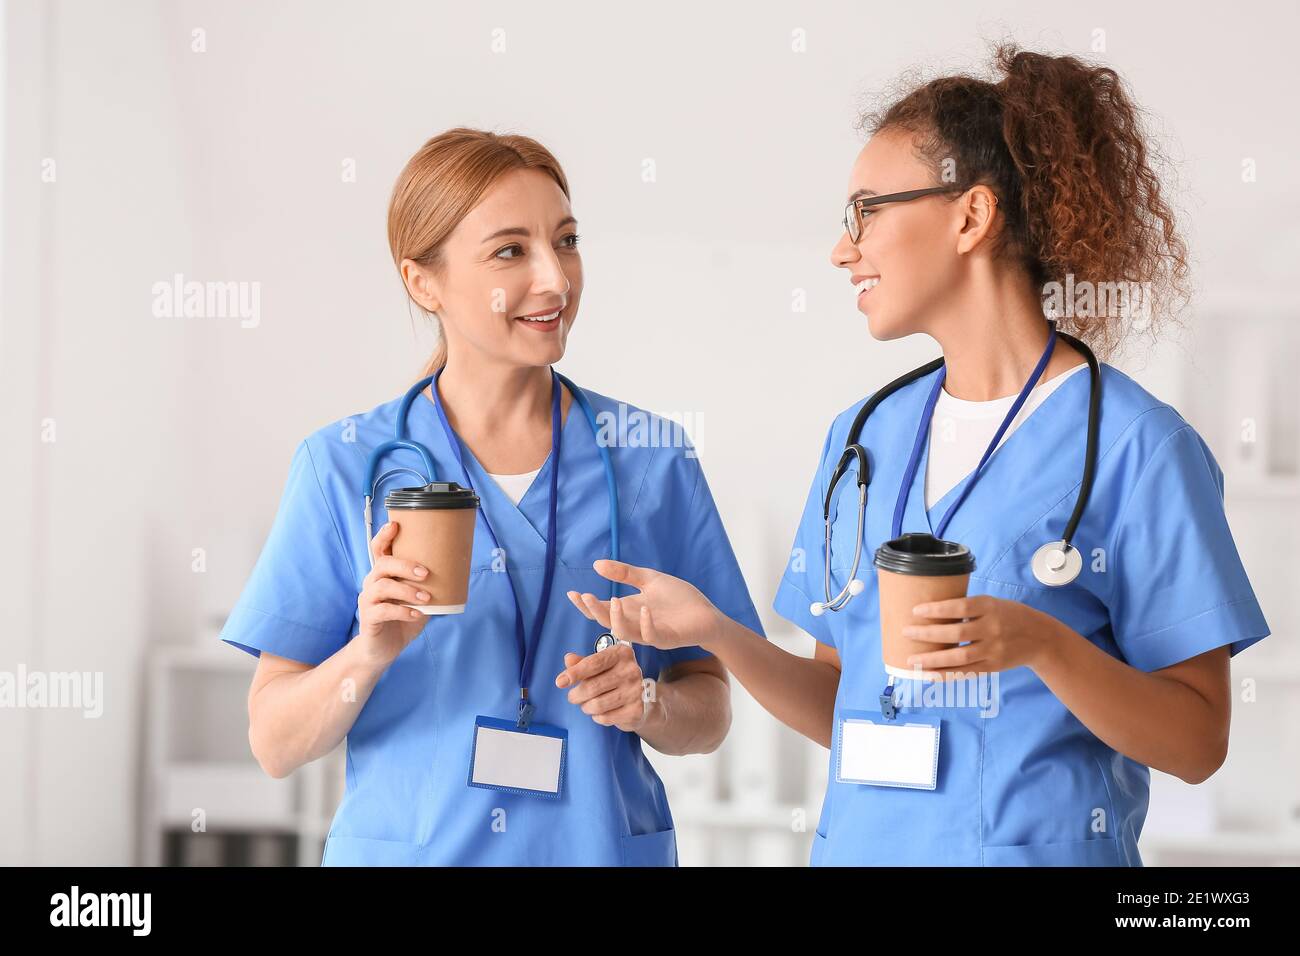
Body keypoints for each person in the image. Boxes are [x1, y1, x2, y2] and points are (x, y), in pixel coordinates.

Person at [568, 46, 1271, 866]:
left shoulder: (1136, 446)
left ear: (971, 217)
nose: (843, 249)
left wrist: (1044, 644)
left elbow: (1196, 742)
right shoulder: (863, 438)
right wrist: (719, 633)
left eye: (867, 210)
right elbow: (843, 702)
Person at [218, 128, 761, 866]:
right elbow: (275, 745)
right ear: (423, 281)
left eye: (566, 242)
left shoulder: (648, 456)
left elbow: (711, 704)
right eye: (511, 251)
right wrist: (367, 652)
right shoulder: (344, 466)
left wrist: (650, 705)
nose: (556, 280)